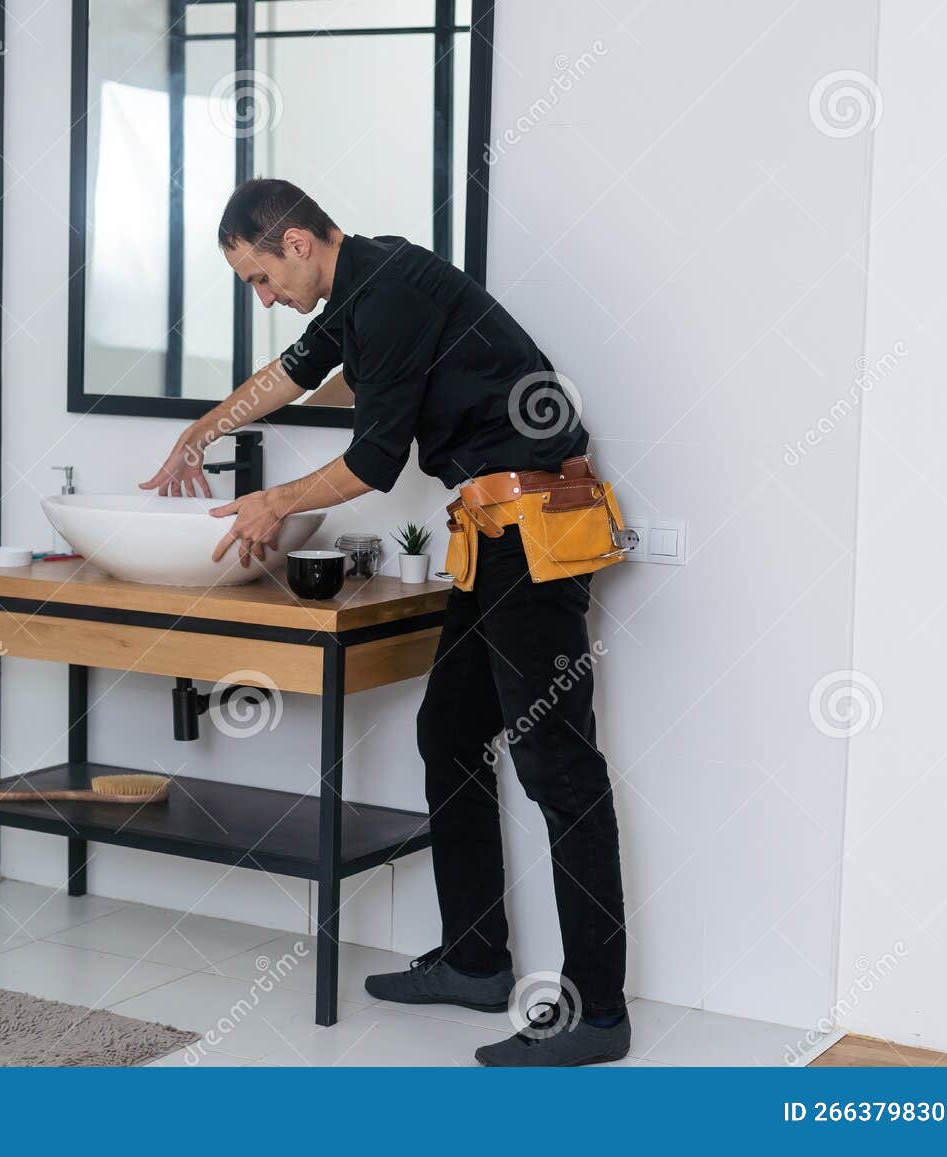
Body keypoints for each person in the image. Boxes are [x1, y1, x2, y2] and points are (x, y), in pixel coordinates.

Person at [141, 178, 629, 1066]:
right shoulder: (360, 284)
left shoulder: (392, 290)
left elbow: (374, 458)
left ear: (294, 243)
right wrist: (201, 431)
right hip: (492, 524)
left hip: (538, 526)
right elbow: (288, 374)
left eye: (257, 278)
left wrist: (274, 502)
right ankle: (478, 960)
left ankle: (599, 1013)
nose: (262, 298)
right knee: (448, 729)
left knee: (559, 764)